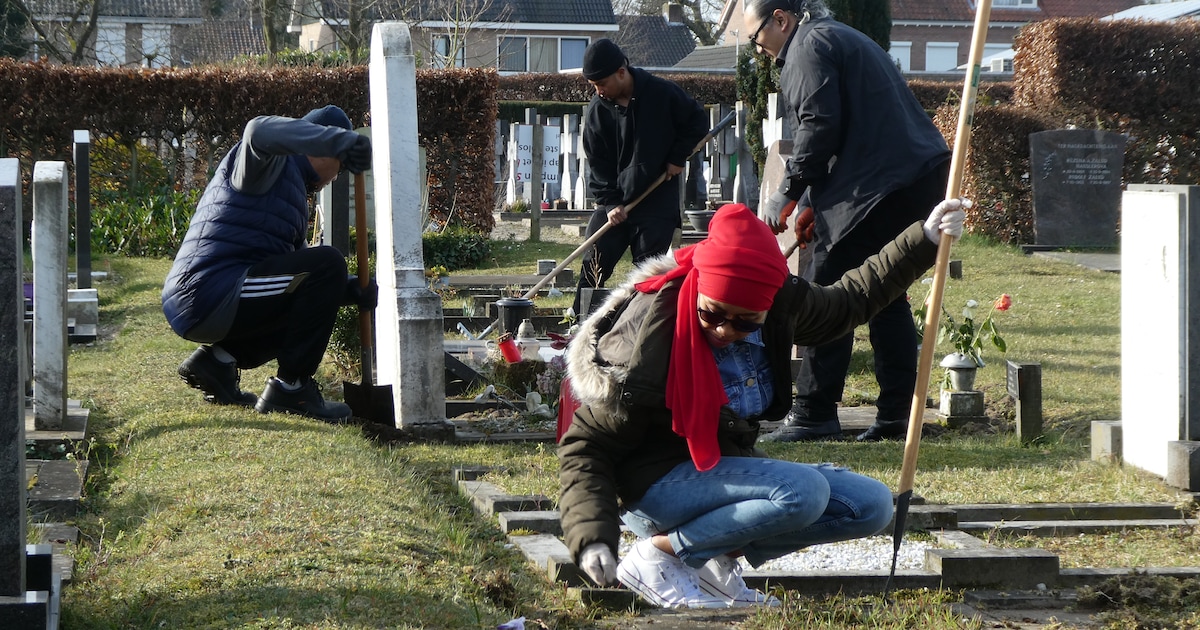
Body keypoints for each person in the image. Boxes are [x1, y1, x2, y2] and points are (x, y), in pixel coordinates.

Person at [558, 199, 966, 608]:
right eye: (713, 314)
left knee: (871, 505)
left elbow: (849, 300)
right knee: (801, 492)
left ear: (767, 307)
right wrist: (592, 537)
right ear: (698, 289)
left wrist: (925, 239)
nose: (724, 330)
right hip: (654, 486)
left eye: (745, 321)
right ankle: (660, 556)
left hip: (722, 471)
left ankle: (713, 564)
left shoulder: (781, 304)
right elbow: (586, 446)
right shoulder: (647, 343)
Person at [745, 0, 953, 443]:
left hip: (881, 183)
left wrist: (790, 190)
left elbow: (820, 124)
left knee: (823, 293)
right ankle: (898, 413)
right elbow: (845, 128)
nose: (758, 49)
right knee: (886, 291)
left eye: (756, 37)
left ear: (780, 19)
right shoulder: (833, 37)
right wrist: (812, 209)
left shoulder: (807, 46)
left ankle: (813, 411)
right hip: (907, 175)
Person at [162, 105, 377, 423]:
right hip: (207, 291)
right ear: (319, 146)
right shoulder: (270, 161)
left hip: (220, 293)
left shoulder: (294, 197)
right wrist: (339, 141)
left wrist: (350, 292)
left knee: (320, 277)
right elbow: (257, 130)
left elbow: (303, 286)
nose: (337, 177)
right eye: (340, 166)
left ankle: (217, 363)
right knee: (328, 262)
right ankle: (292, 390)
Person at [571, 38, 710, 317]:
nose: (598, 91)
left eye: (602, 83)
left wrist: (676, 157)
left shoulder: (663, 93)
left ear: (621, 72)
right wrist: (610, 204)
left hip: (656, 200)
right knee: (594, 266)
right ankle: (576, 325)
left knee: (646, 276)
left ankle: (636, 331)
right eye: (593, 85)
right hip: (616, 203)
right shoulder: (598, 110)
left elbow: (697, 121)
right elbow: (598, 163)